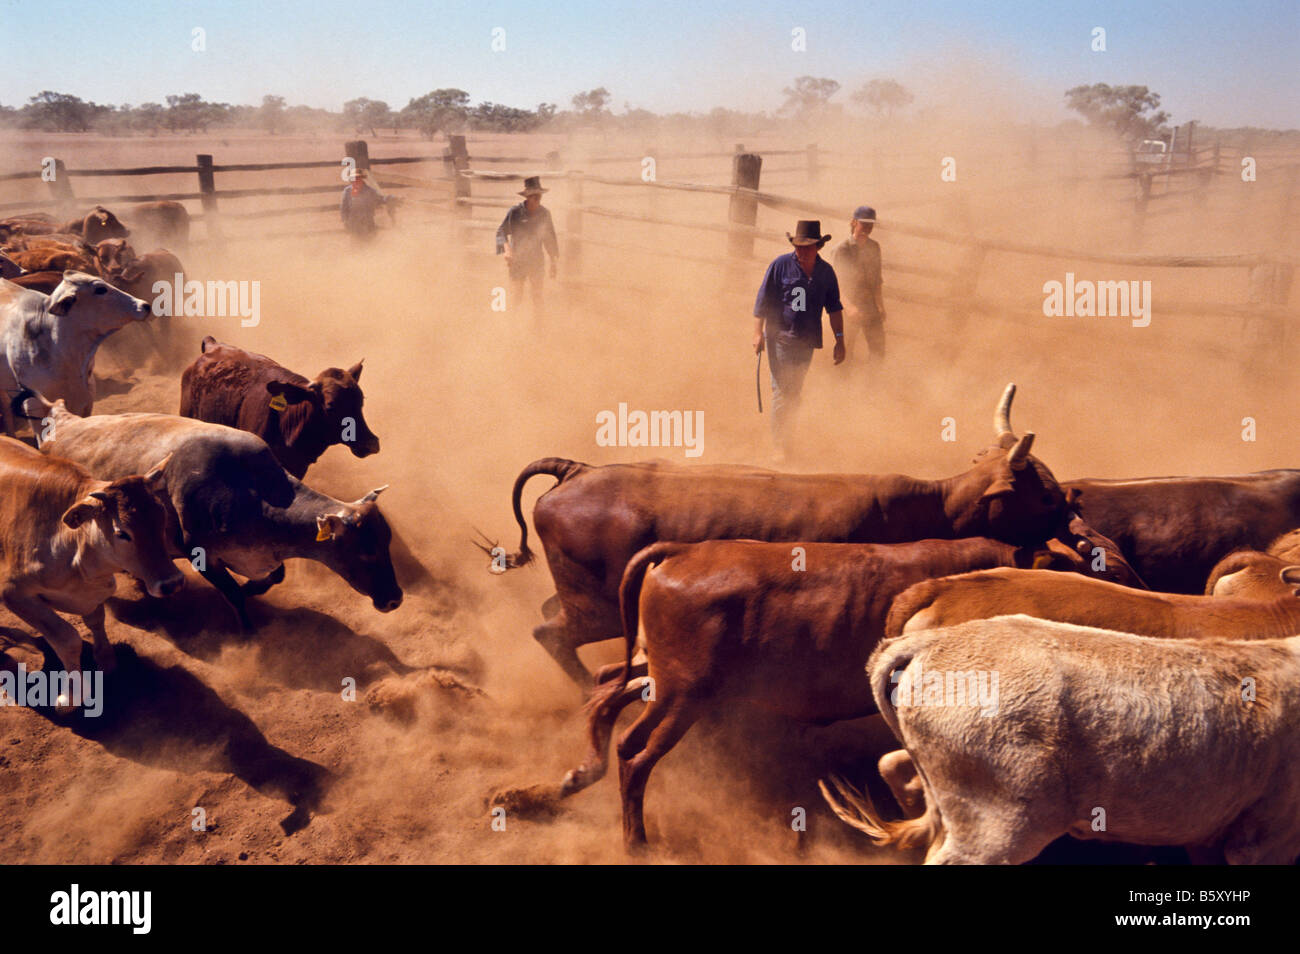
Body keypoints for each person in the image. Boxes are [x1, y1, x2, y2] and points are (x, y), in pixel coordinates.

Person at [752, 219, 845, 461]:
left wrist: (840, 340)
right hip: (779, 339)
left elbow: (834, 309)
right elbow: (762, 302)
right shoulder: (780, 265)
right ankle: (779, 447)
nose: (802, 251)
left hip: (806, 342)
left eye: (807, 246)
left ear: (818, 247)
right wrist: (756, 333)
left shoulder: (826, 273)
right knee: (783, 391)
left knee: (794, 393)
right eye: (798, 246)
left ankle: (787, 440)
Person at [830, 205, 886, 364]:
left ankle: (872, 385)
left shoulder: (874, 247)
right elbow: (834, 283)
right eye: (864, 224)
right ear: (854, 223)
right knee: (845, 352)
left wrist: (880, 305)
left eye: (870, 225)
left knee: (878, 350)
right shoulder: (841, 250)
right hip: (847, 306)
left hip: (870, 304)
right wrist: (848, 307)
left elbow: (877, 279)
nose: (867, 229)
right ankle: (842, 385)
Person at [496, 175, 558, 314]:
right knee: (517, 294)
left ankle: (538, 327)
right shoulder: (516, 212)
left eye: (539, 196)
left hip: (536, 260)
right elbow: (501, 232)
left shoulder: (544, 214)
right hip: (518, 259)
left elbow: (550, 238)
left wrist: (553, 262)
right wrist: (507, 250)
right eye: (534, 197)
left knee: (537, 295)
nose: (537, 199)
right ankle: (513, 324)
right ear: (527, 197)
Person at [340, 169, 392, 240]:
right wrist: (345, 221)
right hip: (354, 225)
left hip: (368, 223)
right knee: (355, 246)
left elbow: (380, 199)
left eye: (357, 178)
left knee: (370, 244)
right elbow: (344, 208)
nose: (355, 181)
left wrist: (389, 199)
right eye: (353, 179)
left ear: (362, 179)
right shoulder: (347, 191)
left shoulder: (370, 191)